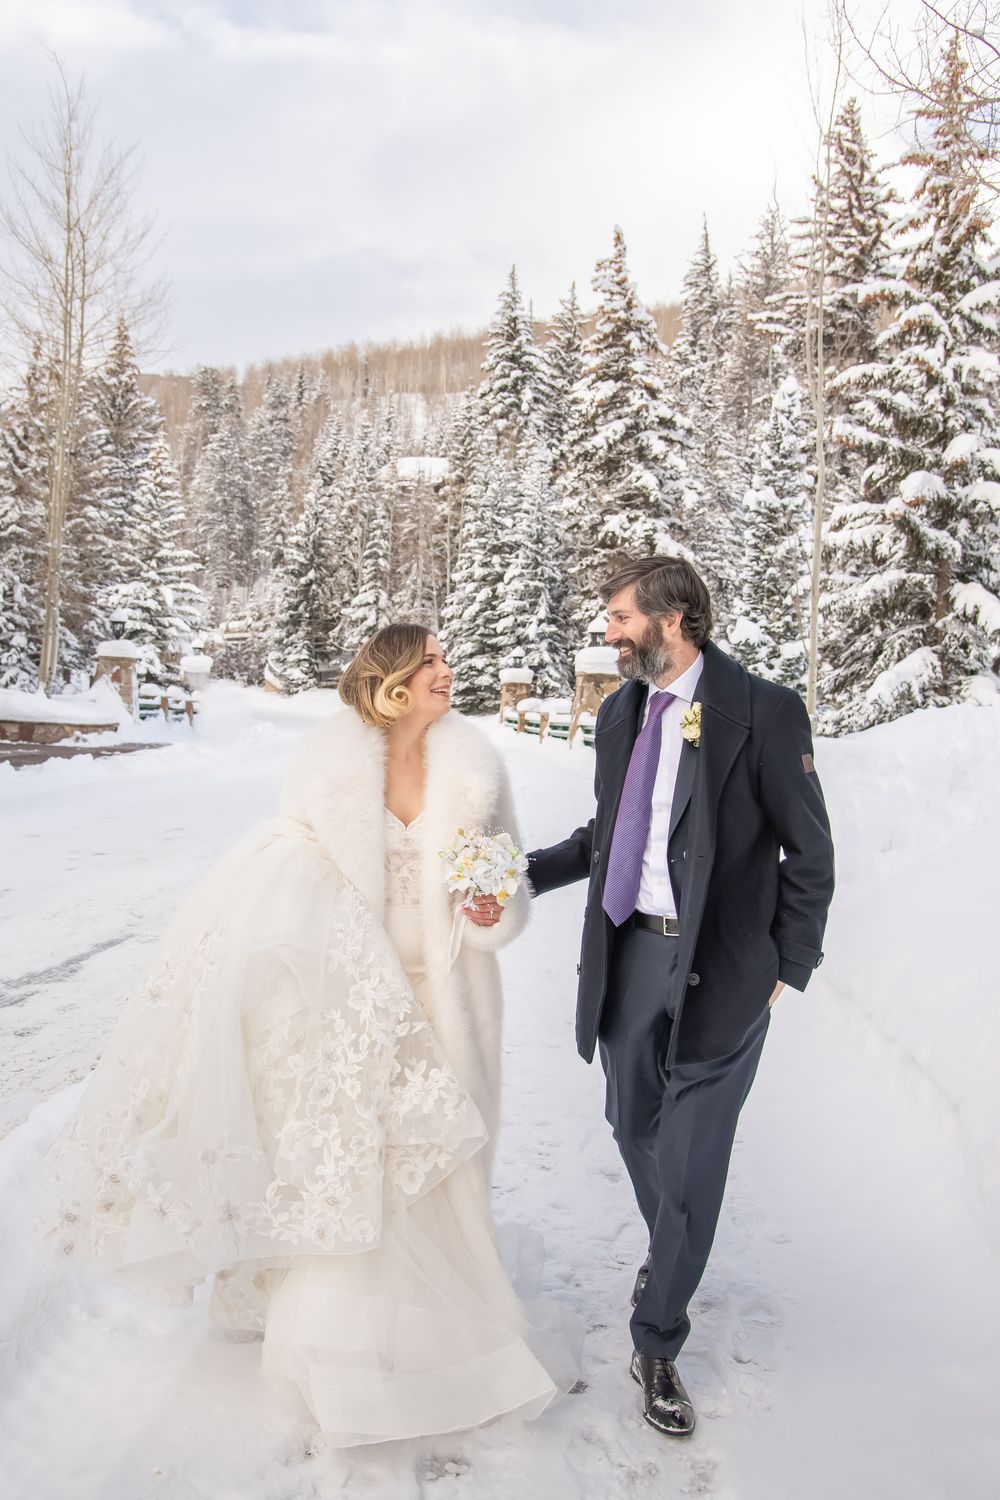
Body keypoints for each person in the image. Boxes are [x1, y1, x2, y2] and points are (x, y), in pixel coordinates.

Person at [34, 623, 581, 1446]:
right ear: (393, 680)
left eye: (443, 660)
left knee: (444, 1156)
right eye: (431, 661)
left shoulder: (475, 767)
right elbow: (287, 885)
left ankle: (444, 1317)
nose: (447, 671)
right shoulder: (328, 768)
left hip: (450, 991)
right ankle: (347, 1336)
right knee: (363, 1157)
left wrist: (493, 909)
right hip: (356, 1001)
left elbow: (503, 886)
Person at [526, 557, 834, 1438]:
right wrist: (523, 877)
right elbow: (608, 833)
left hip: (727, 972)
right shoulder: (622, 713)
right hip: (630, 958)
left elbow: (809, 852)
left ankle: (656, 1338)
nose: (610, 634)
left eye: (620, 617)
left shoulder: (763, 711)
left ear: (673, 618)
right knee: (632, 1127)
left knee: (692, 1164)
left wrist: (790, 961)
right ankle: (673, 1254)